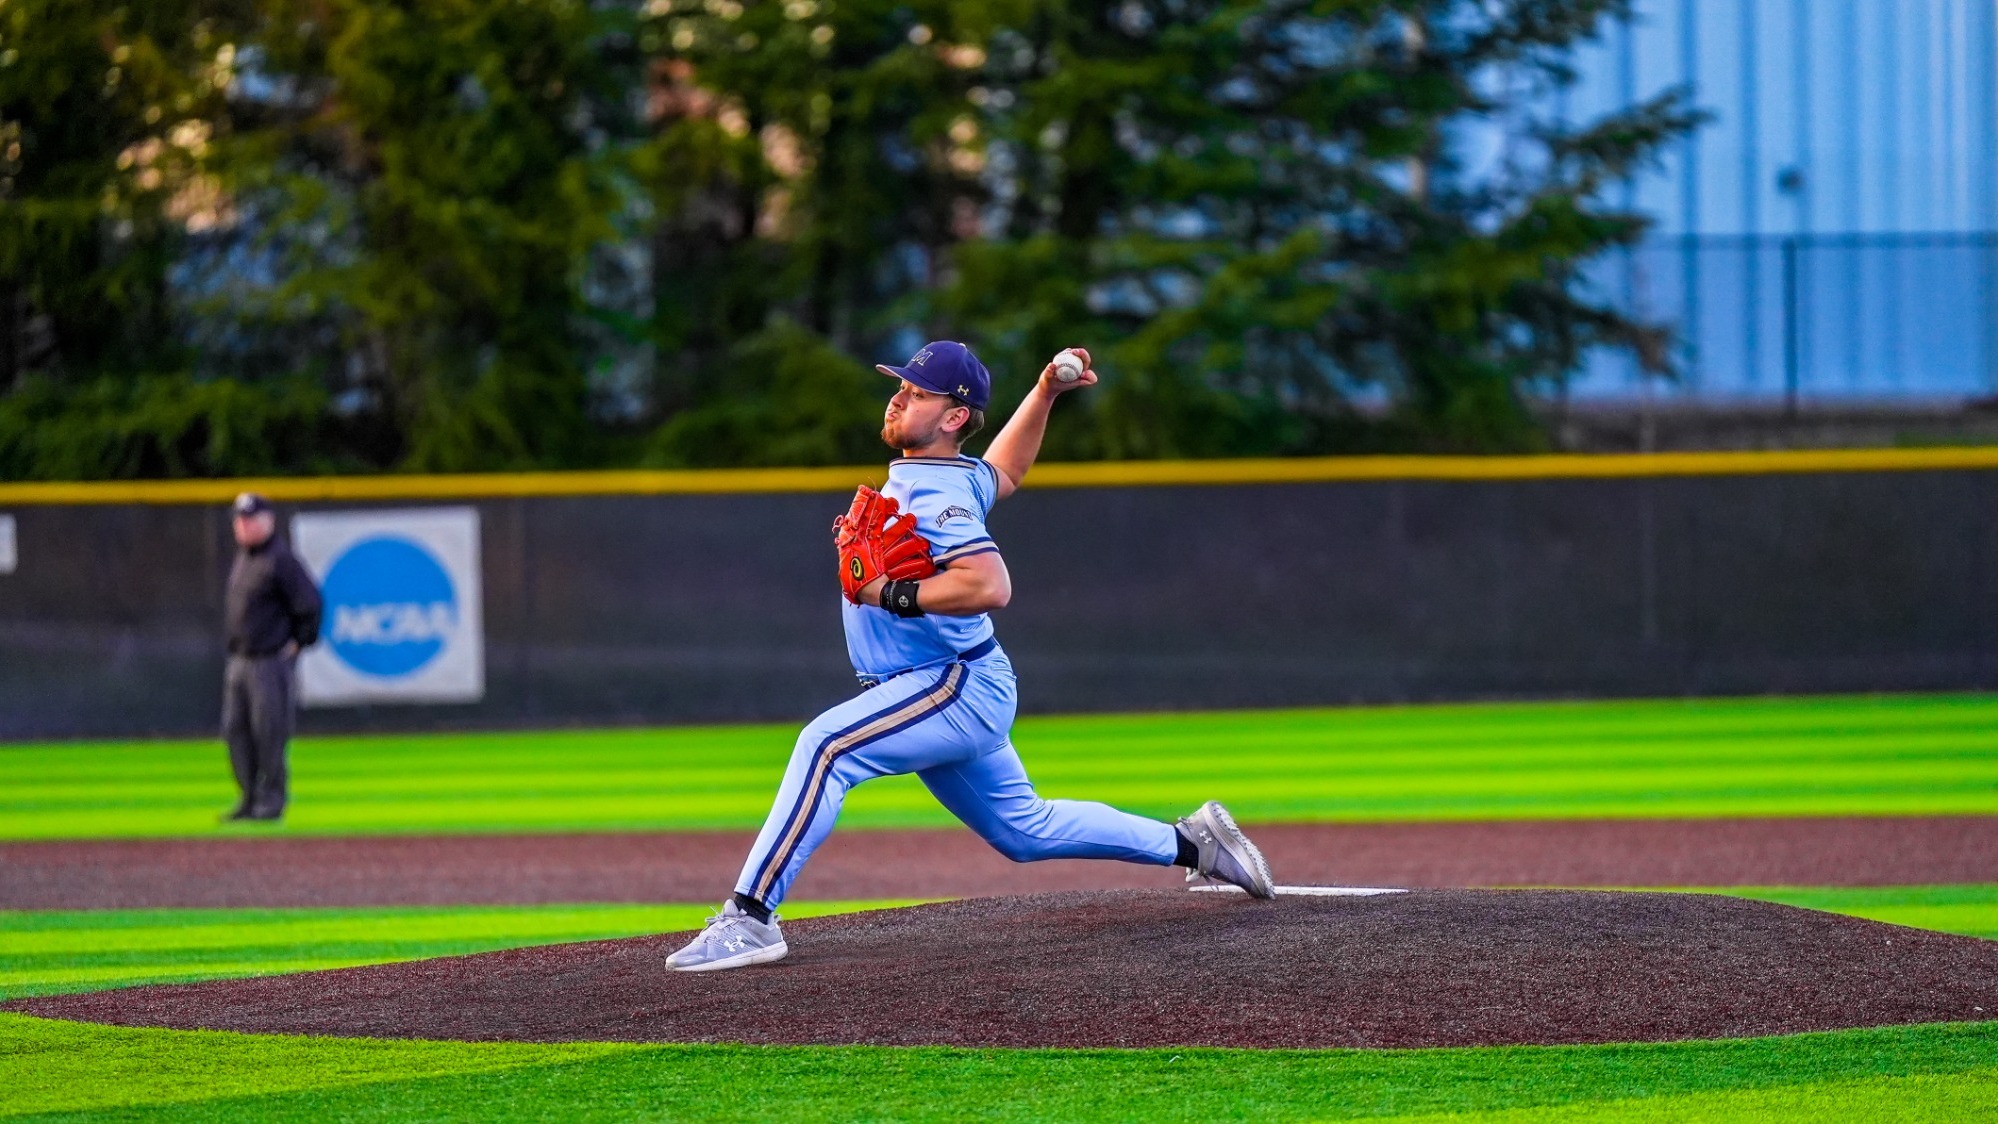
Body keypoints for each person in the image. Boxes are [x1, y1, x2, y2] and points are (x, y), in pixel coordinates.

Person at [667, 341, 1275, 972]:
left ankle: (750, 918)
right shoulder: (953, 476)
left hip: (949, 683)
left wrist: (892, 593)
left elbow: (990, 585)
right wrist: (1044, 393)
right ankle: (1196, 844)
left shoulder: (938, 496)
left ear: (954, 416)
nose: (898, 398)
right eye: (900, 387)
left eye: (916, 393)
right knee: (1025, 831)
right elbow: (1005, 471)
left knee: (826, 748)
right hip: (951, 684)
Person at [221, 492, 322, 822]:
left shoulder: (280, 559)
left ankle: (271, 800)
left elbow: (310, 603)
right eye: (240, 520)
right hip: (240, 660)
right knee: (236, 731)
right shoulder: (245, 558)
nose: (244, 526)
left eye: (251, 519)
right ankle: (249, 797)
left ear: (269, 521)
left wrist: (299, 642)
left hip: (268, 660)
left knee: (268, 731)